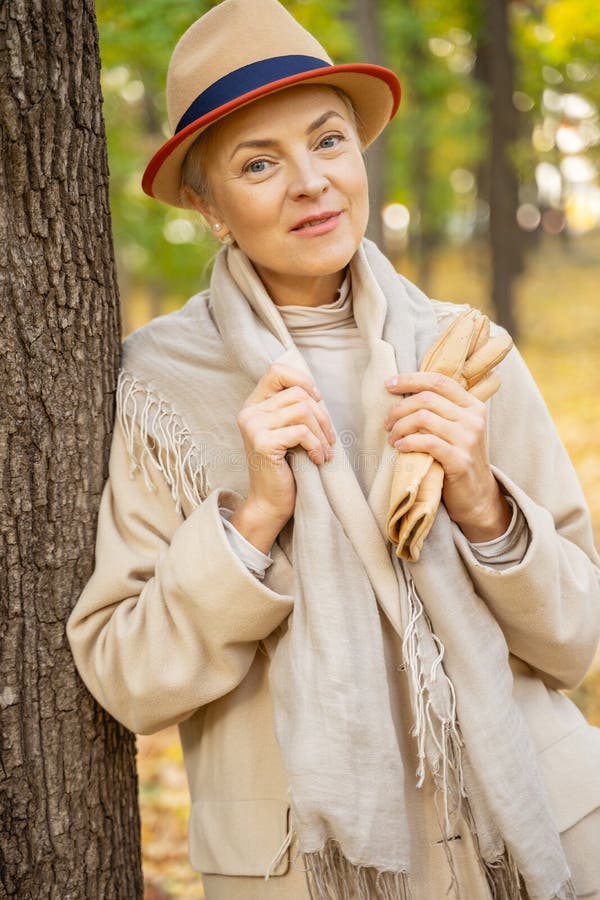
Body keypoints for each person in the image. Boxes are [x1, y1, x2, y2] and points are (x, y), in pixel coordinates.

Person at [67, 1, 600, 898]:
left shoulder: (460, 350)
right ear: (206, 202)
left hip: (529, 840)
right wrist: (253, 521)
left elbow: (578, 637)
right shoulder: (160, 387)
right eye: (259, 163)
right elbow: (129, 678)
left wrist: (483, 506)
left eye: (328, 141)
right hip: (313, 873)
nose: (311, 183)